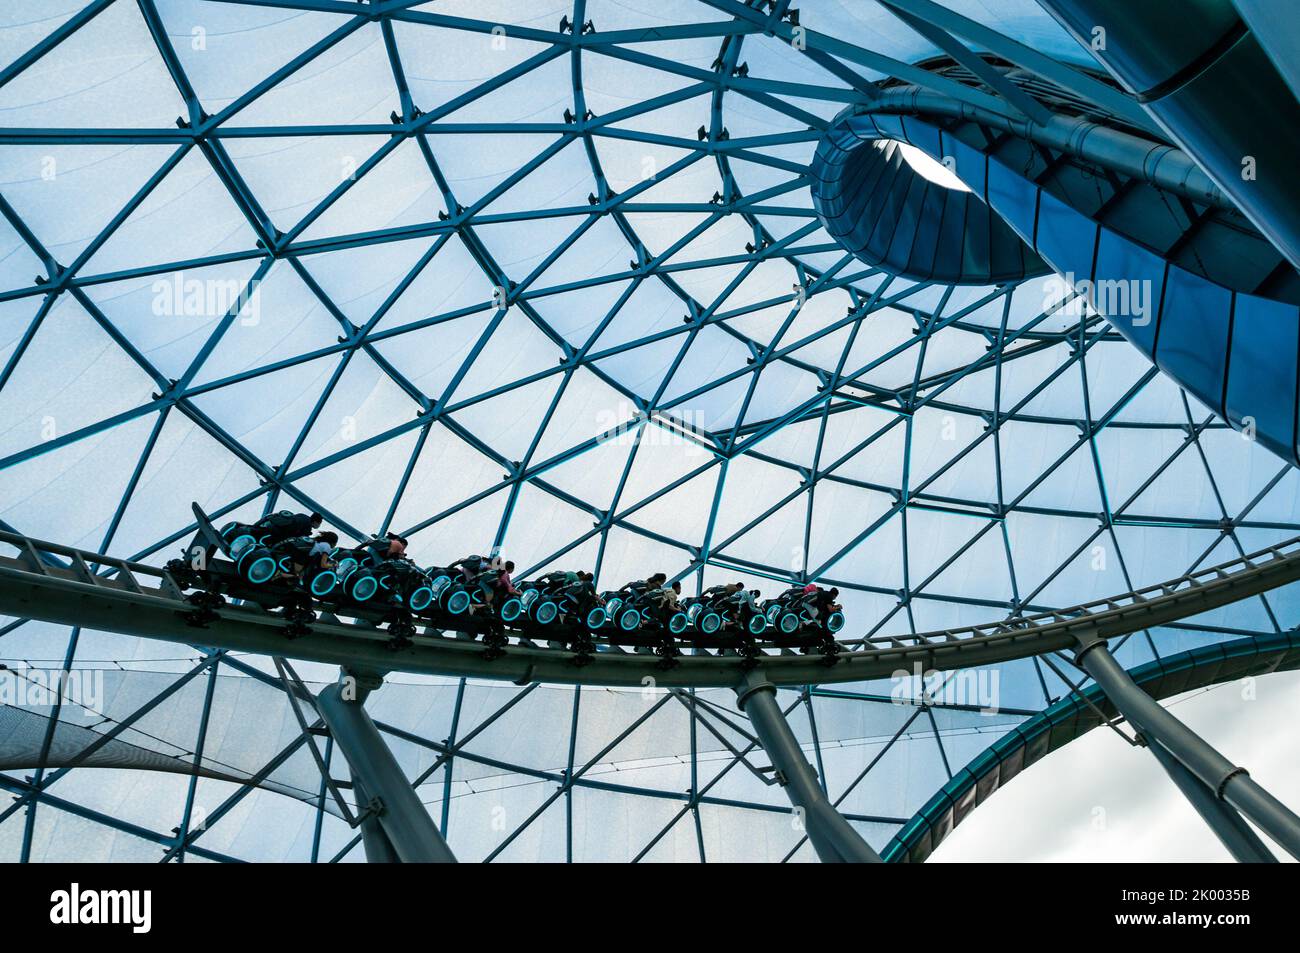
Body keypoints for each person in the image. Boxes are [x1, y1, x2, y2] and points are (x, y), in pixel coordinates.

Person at [254, 510, 323, 546]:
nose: (318, 526)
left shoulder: (302, 515)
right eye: (319, 523)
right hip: (279, 533)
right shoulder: (308, 526)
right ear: (315, 522)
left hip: (271, 525)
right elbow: (302, 539)